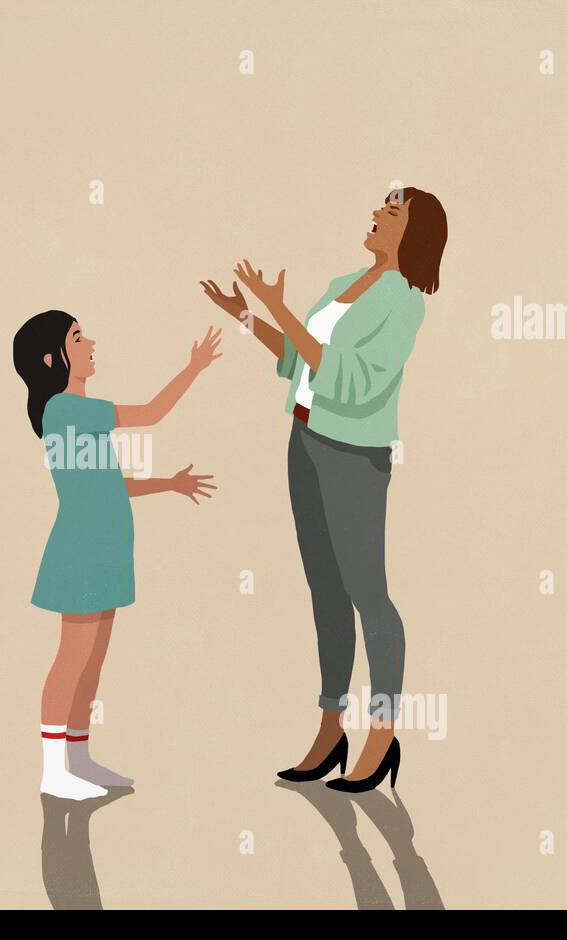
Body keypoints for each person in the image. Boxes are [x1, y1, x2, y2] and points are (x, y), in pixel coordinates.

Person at [201, 186, 448, 793]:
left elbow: (351, 381)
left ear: (413, 233)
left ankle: (382, 732)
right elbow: (299, 360)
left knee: (368, 592)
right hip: (305, 440)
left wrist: (279, 306)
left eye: (392, 212)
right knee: (326, 591)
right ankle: (330, 726)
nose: (376, 214)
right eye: (380, 206)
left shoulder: (405, 301)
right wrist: (246, 315)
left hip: (353, 454)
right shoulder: (343, 283)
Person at [13, 312, 221, 799]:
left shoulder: (77, 414)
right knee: (72, 659)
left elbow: (109, 485)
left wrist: (168, 483)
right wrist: (193, 368)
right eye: (77, 337)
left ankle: (80, 759)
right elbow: (150, 413)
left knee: (92, 662)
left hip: (106, 549)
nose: (91, 343)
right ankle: (53, 771)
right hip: (81, 551)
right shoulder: (65, 409)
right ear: (53, 358)